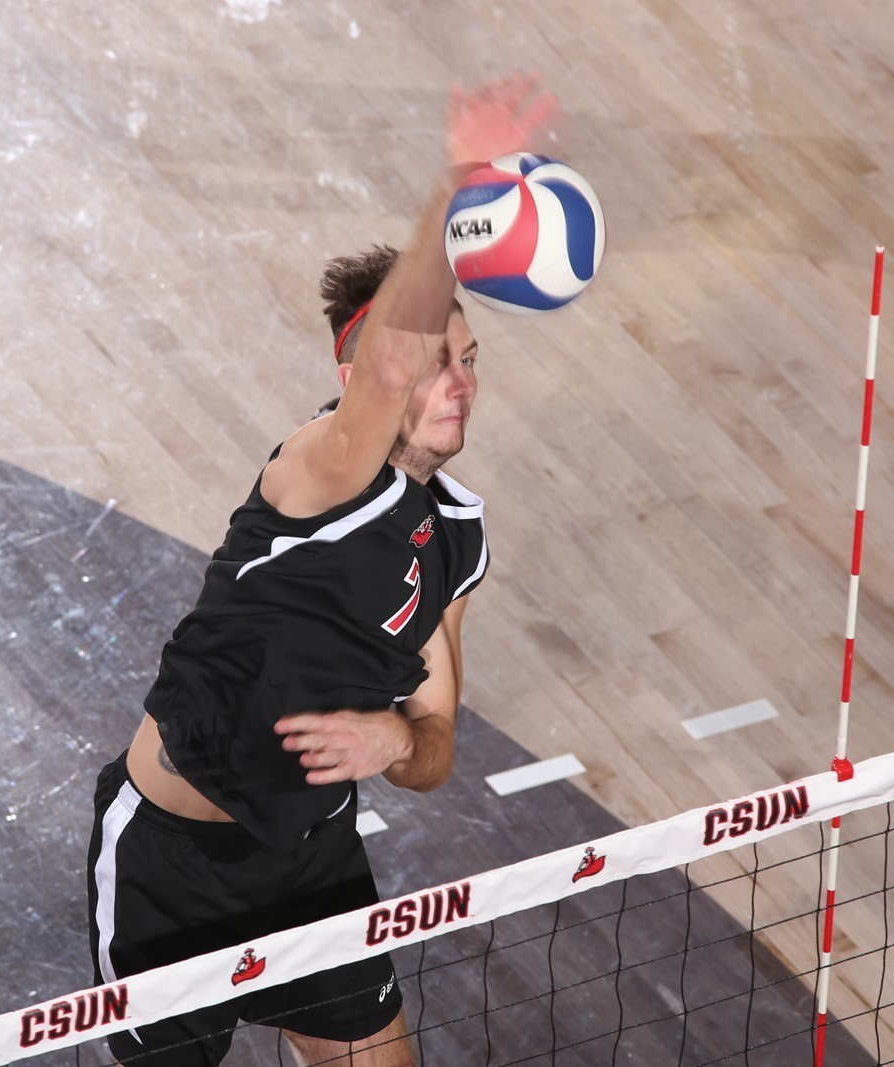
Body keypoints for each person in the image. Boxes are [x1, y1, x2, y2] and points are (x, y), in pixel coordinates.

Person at [85, 74, 556, 1067]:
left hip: (311, 864)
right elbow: (393, 364)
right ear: (362, 376)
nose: (456, 380)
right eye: (438, 358)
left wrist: (392, 733)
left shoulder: (457, 544)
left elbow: (433, 750)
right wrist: (461, 180)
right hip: (175, 866)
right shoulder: (318, 474)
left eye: (470, 359)